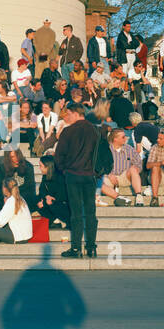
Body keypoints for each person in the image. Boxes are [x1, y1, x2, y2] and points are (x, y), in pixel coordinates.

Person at [54, 105, 99, 258]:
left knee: (76, 213)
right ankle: (91, 247)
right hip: (89, 175)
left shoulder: (68, 131)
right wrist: (97, 172)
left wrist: (64, 169)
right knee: (91, 213)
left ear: (75, 113)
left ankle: (76, 248)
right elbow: (102, 154)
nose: (67, 117)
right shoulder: (95, 130)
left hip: (72, 175)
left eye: (68, 114)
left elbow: (59, 156)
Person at [100, 128, 145, 206]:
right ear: (115, 139)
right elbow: (98, 166)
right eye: (123, 137)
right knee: (97, 181)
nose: (126, 138)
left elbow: (139, 164)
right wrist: (109, 174)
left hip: (124, 177)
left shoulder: (129, 149)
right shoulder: (104, 149)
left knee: (134, 169)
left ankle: (139, 195)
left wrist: (135, 169)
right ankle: (119, 197)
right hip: (109, 178)